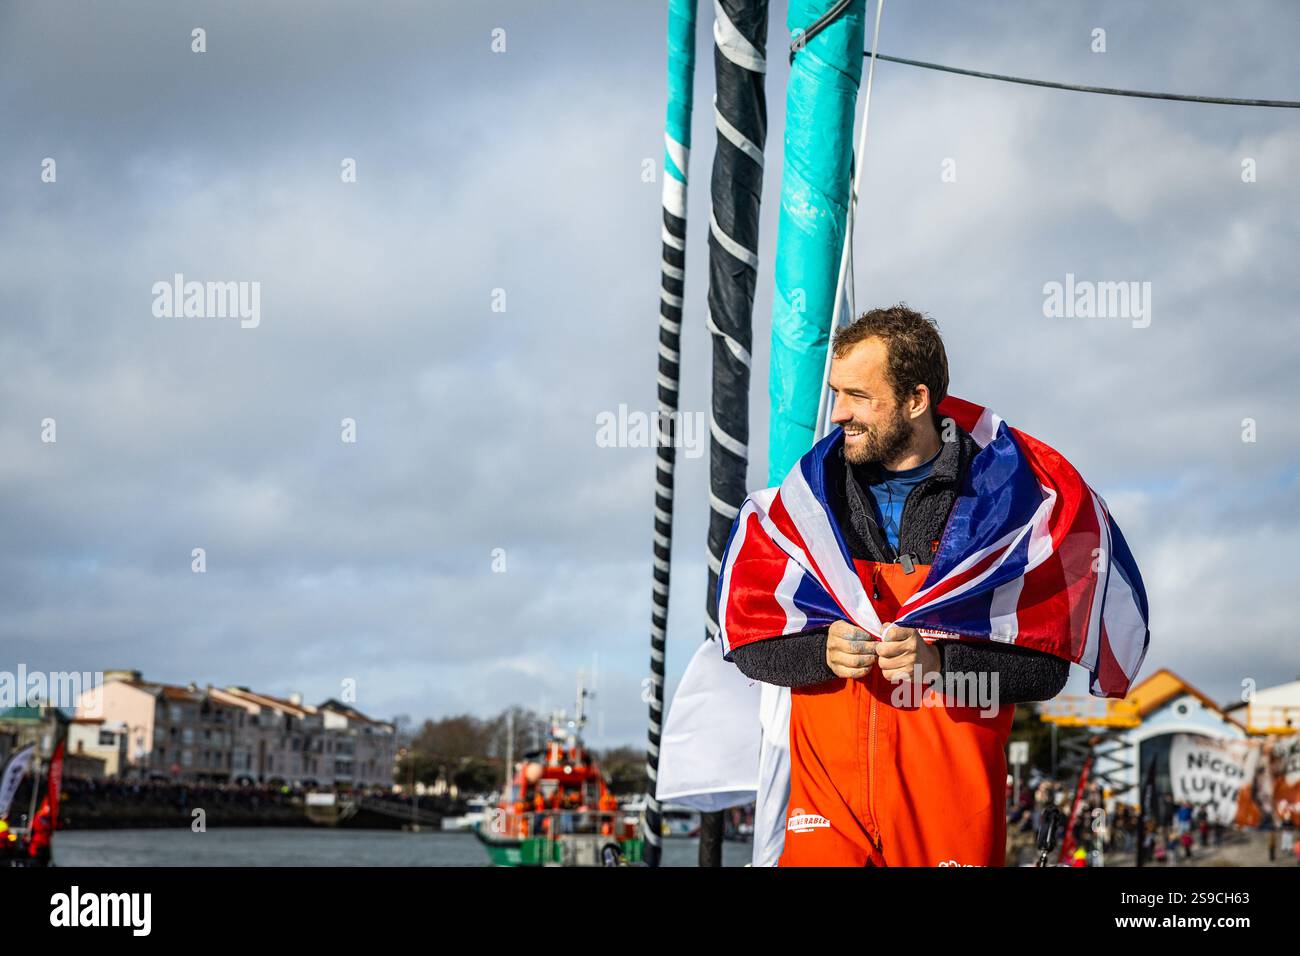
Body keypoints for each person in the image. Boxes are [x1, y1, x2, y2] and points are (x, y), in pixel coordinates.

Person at [726, 306, 1073, 867]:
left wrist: (939, 665)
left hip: (949, 813)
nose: (838, 413)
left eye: (857, 396)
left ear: (915, 401)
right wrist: (821, 651)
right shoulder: (808, 505)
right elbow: (749, 644)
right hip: (827, 814)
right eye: (836, 393)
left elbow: (1045, 669)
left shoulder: (1004, 510)